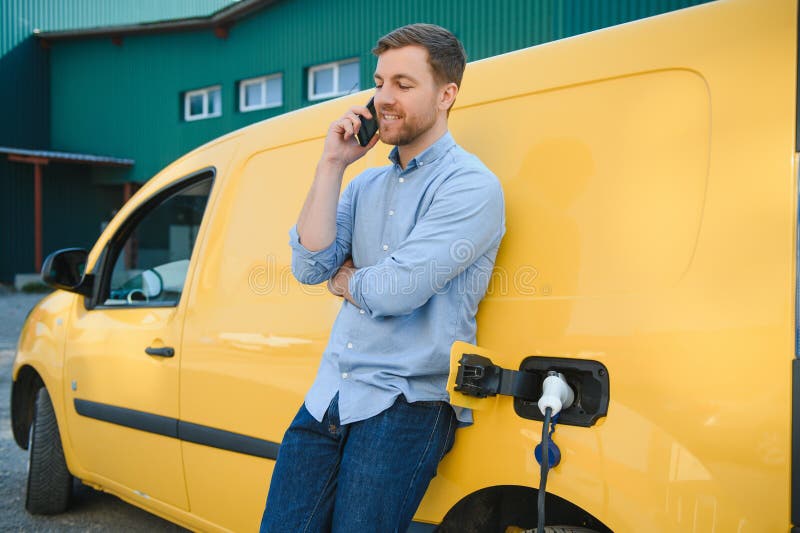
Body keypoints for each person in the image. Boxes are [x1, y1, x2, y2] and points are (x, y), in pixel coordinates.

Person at [259, 23, 505, 533]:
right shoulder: (364, 182)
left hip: (404, 406)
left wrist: (346, 282)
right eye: (379, 82)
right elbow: (309, 267)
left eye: (403, 84)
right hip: (330, 394)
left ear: (447, 94)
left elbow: (395, 291)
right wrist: (333, 163)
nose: (383, 98)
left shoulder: (471, 186)